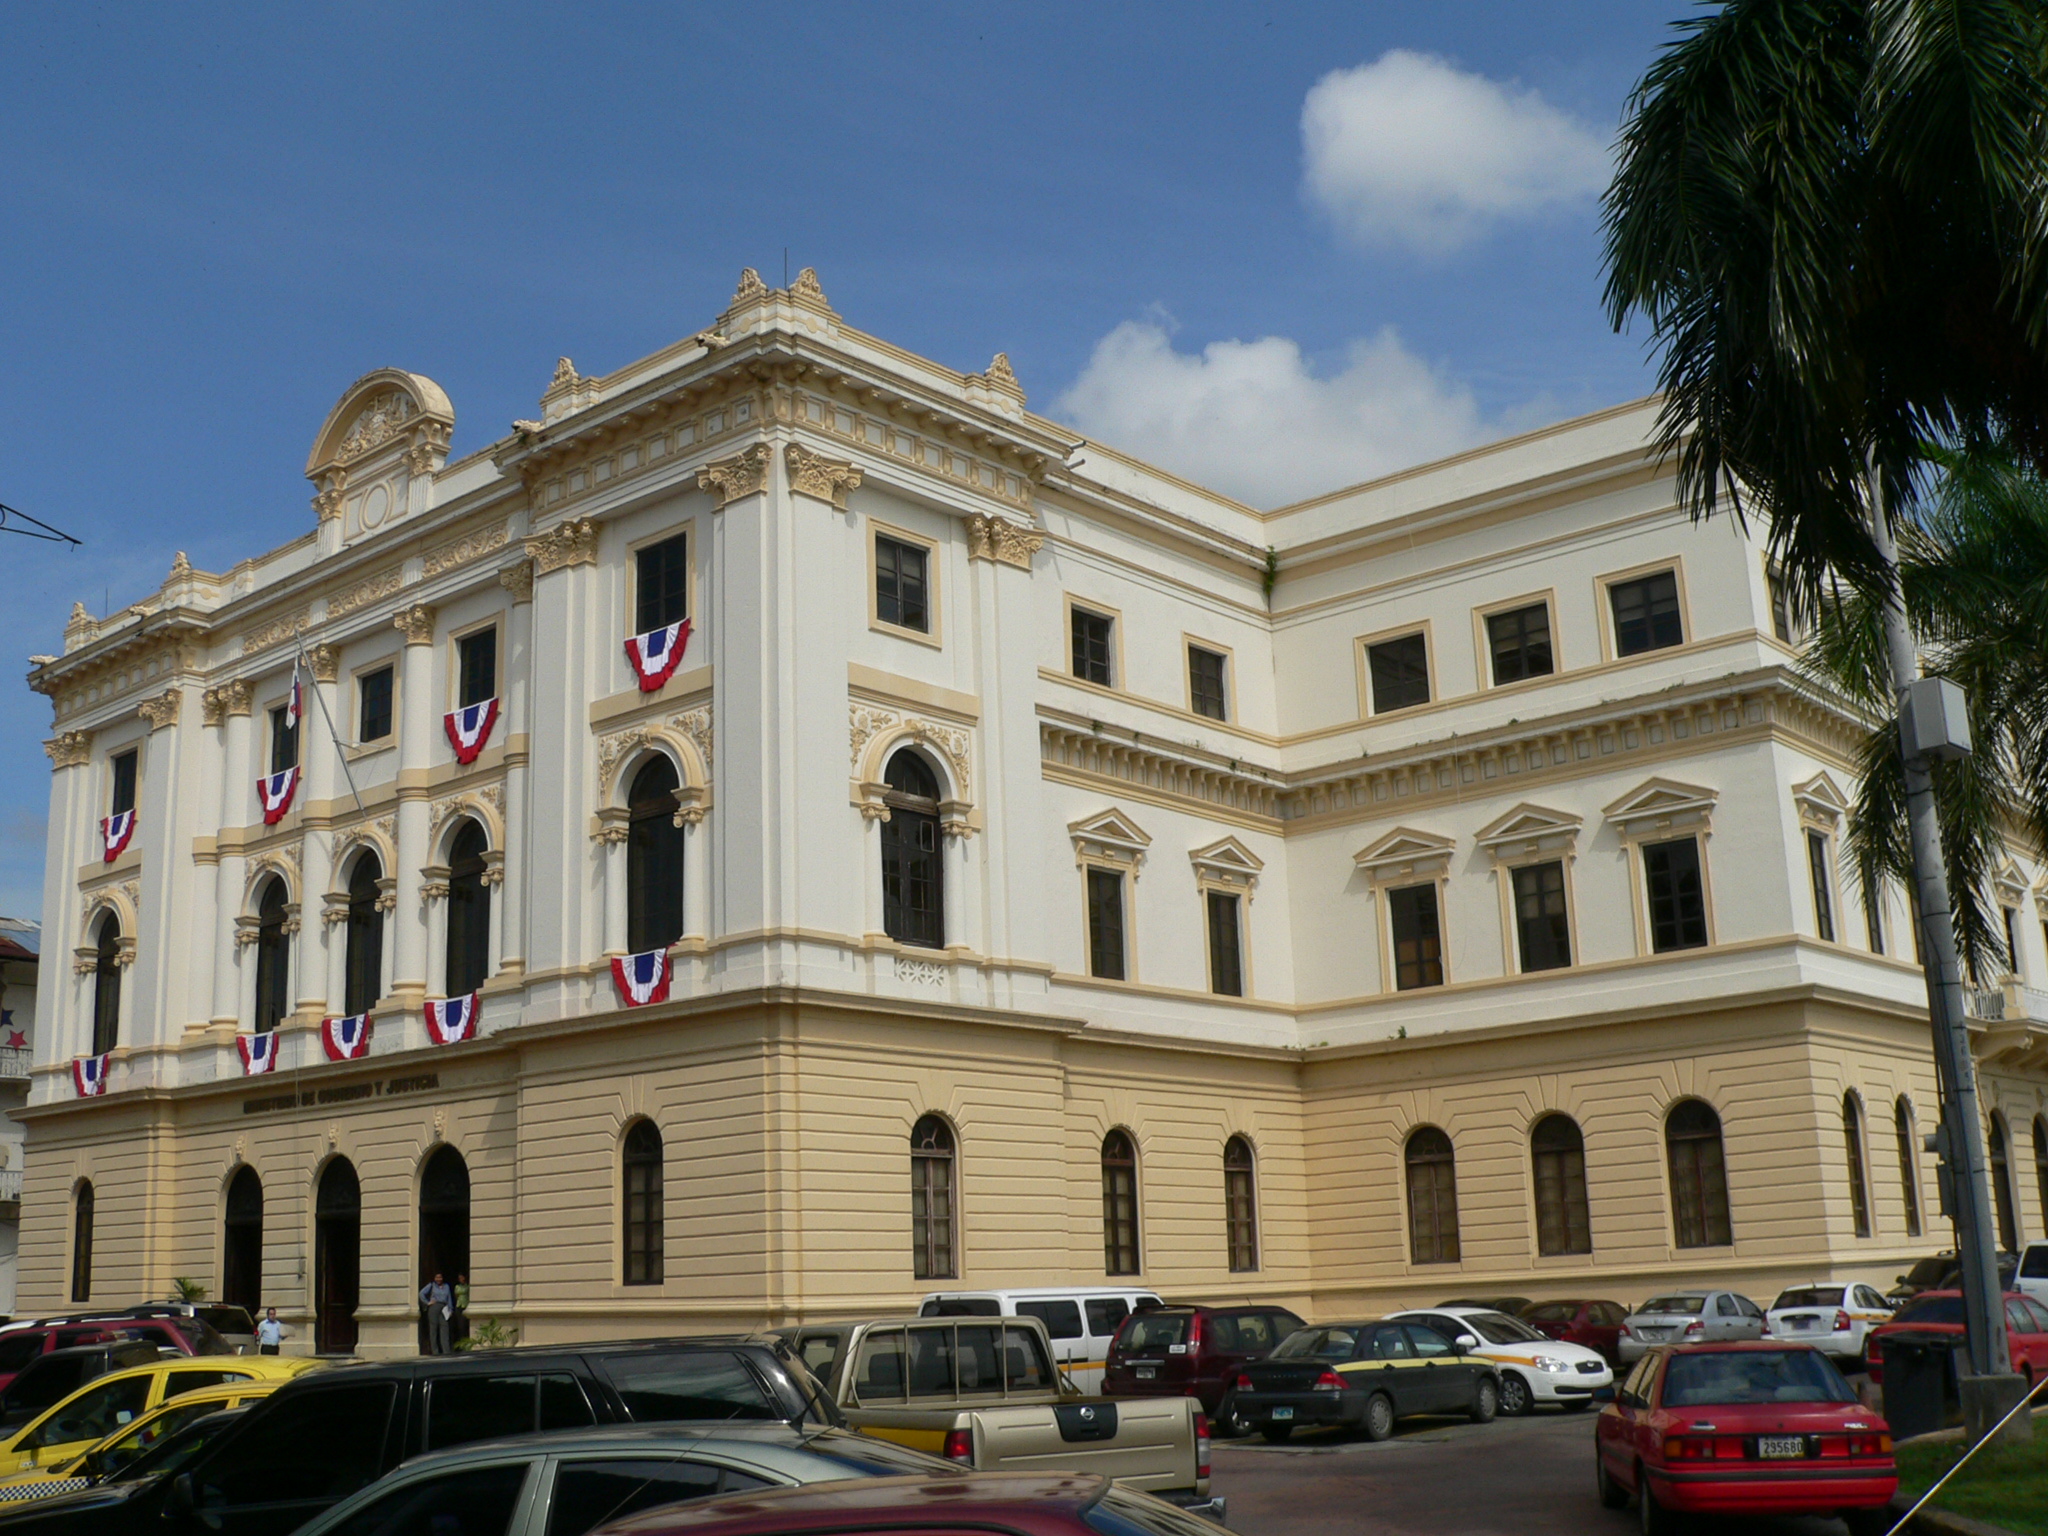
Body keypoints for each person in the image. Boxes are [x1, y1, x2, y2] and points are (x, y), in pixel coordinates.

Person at [420, 1272, 453, 1355]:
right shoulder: (431, 1285)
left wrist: (450, 1309)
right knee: (433, 1330)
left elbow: (449, 1298)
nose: (438, 1279)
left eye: (440, 1277)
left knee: (445, 1328)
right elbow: (421, 1293)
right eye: (437, 1277)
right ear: (434, 1278)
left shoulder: (446, 1286)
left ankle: (446, 1351)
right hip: (434, 1307)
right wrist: (427, 1302)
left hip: (444, 1307)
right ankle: (435, 1351)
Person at [452, 1273, 470, 1348]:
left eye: (462, 1277)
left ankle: (466, 1344)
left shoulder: (468, 1286)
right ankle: (461, 1344)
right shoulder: (457, 1286)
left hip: (465, 1305)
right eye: (459, 1278)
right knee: (460, 1326)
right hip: (459, 1305)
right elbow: (456, 1295)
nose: (461, 1279)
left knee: (465, 1325)